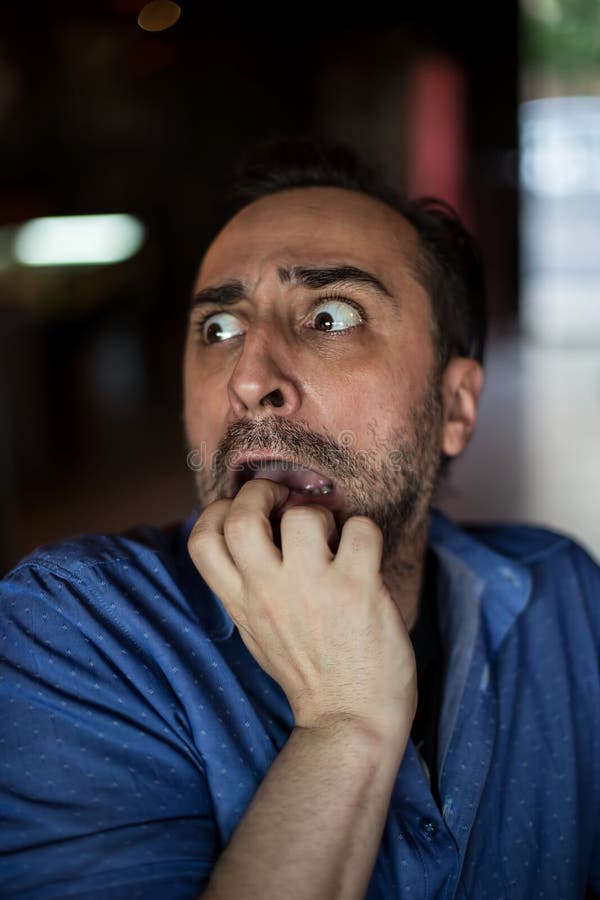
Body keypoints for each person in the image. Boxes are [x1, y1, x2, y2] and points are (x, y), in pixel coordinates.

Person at [0, 138, 598, 900]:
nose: (250, 377)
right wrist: (347, 722)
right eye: (219, 329)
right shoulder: (74, 630)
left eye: (331, 315)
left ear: (455, 406)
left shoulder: (564, 599)